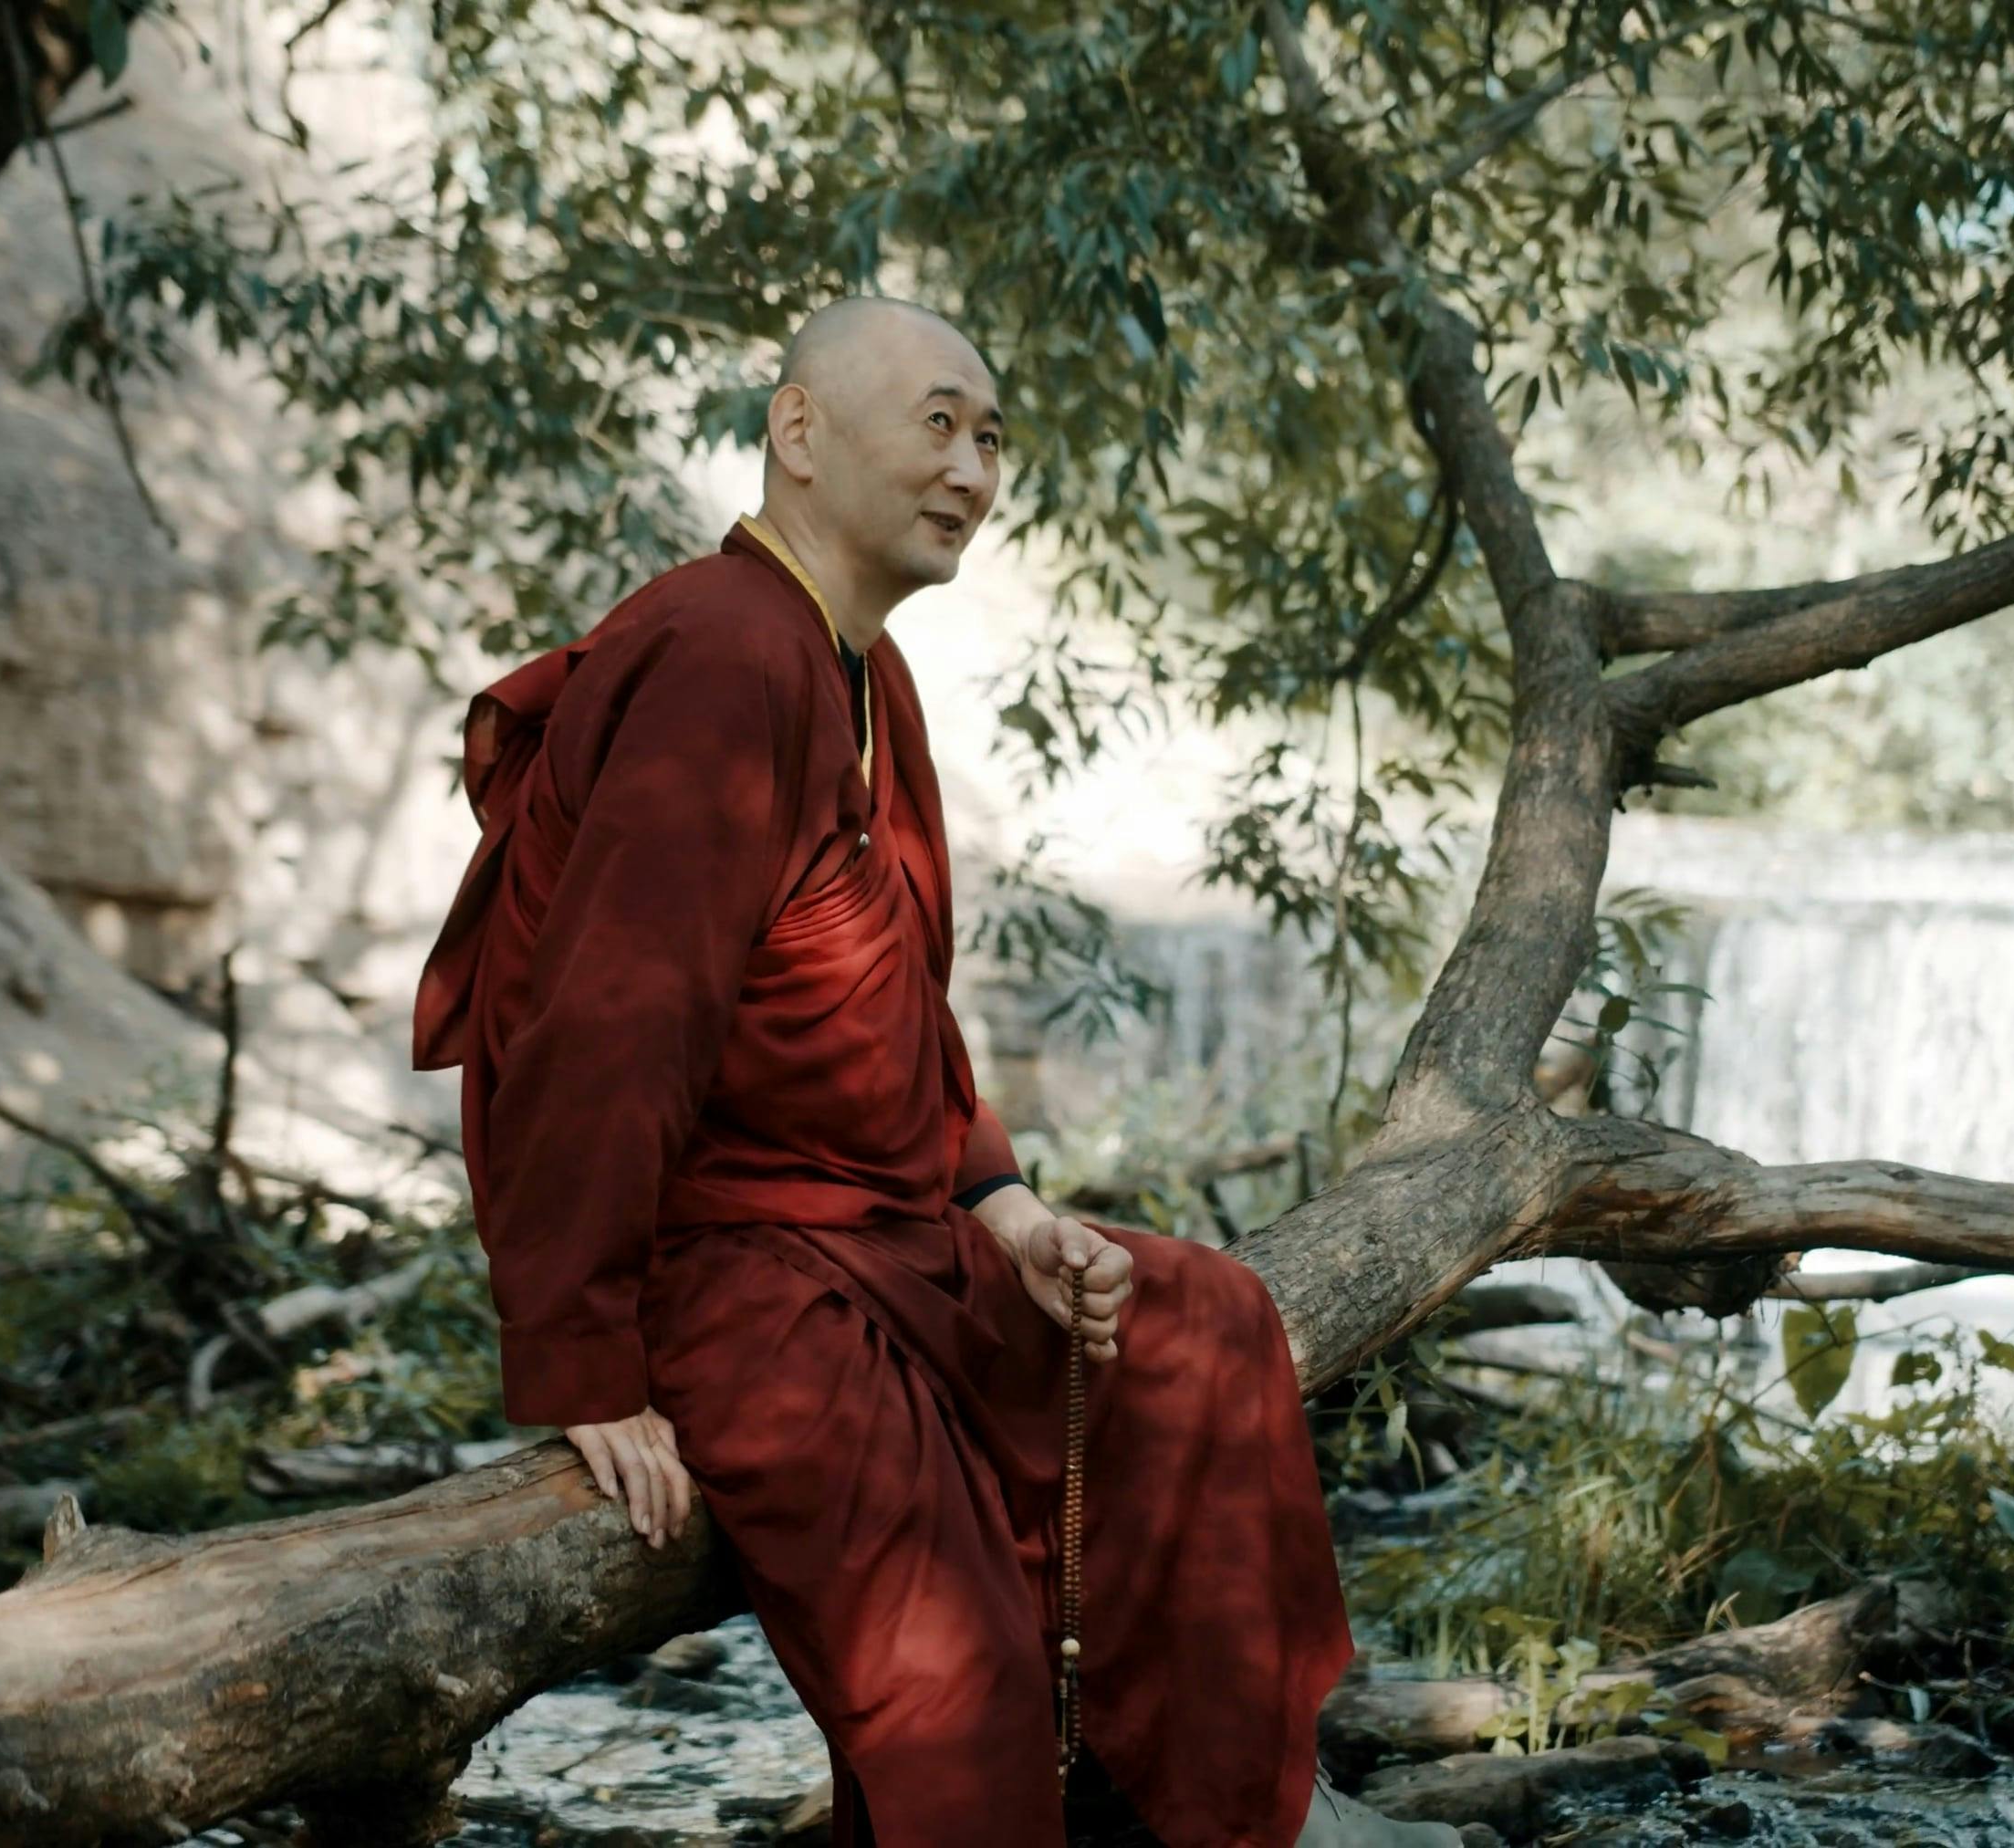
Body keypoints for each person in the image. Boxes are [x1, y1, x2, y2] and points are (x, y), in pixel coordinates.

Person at [414, 298, 1454, 1847]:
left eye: (992, 437)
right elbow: (605, 1024)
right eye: (939, 423)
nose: (973, 467)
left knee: (1199, 1327)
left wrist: (1010, 1204)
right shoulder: (720, 655)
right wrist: (583, 1364)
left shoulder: (862, 670)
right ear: (800, 431)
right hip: (736, 1270)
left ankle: (1251, 1803)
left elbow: (888, 1001)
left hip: (887, 1228)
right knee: (957, 1680)